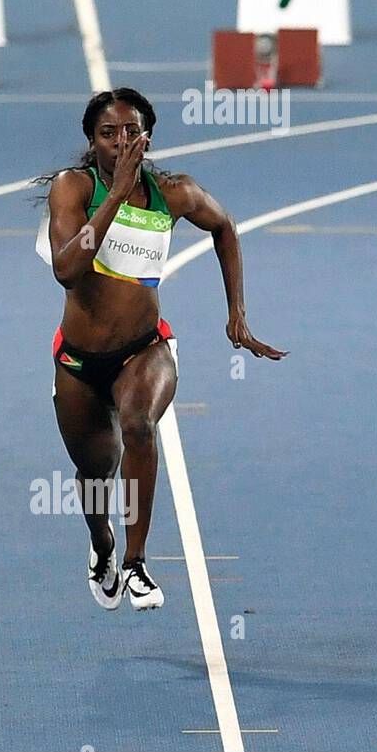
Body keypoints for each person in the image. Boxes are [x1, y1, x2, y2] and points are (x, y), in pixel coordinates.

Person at [37, 88, 284, 610]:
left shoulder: (175, 193)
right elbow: (67, 269)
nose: (120, 141)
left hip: (144, 350)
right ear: (91, 140)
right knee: (95, 473)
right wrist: (116, 197)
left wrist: (236, 312)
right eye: (108, 133)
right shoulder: (73, 188)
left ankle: (136, 563)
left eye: (131, 132)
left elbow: (225, 227)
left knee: (138, 426)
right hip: (79, 361)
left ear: (146, 138)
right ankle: (102, 544)